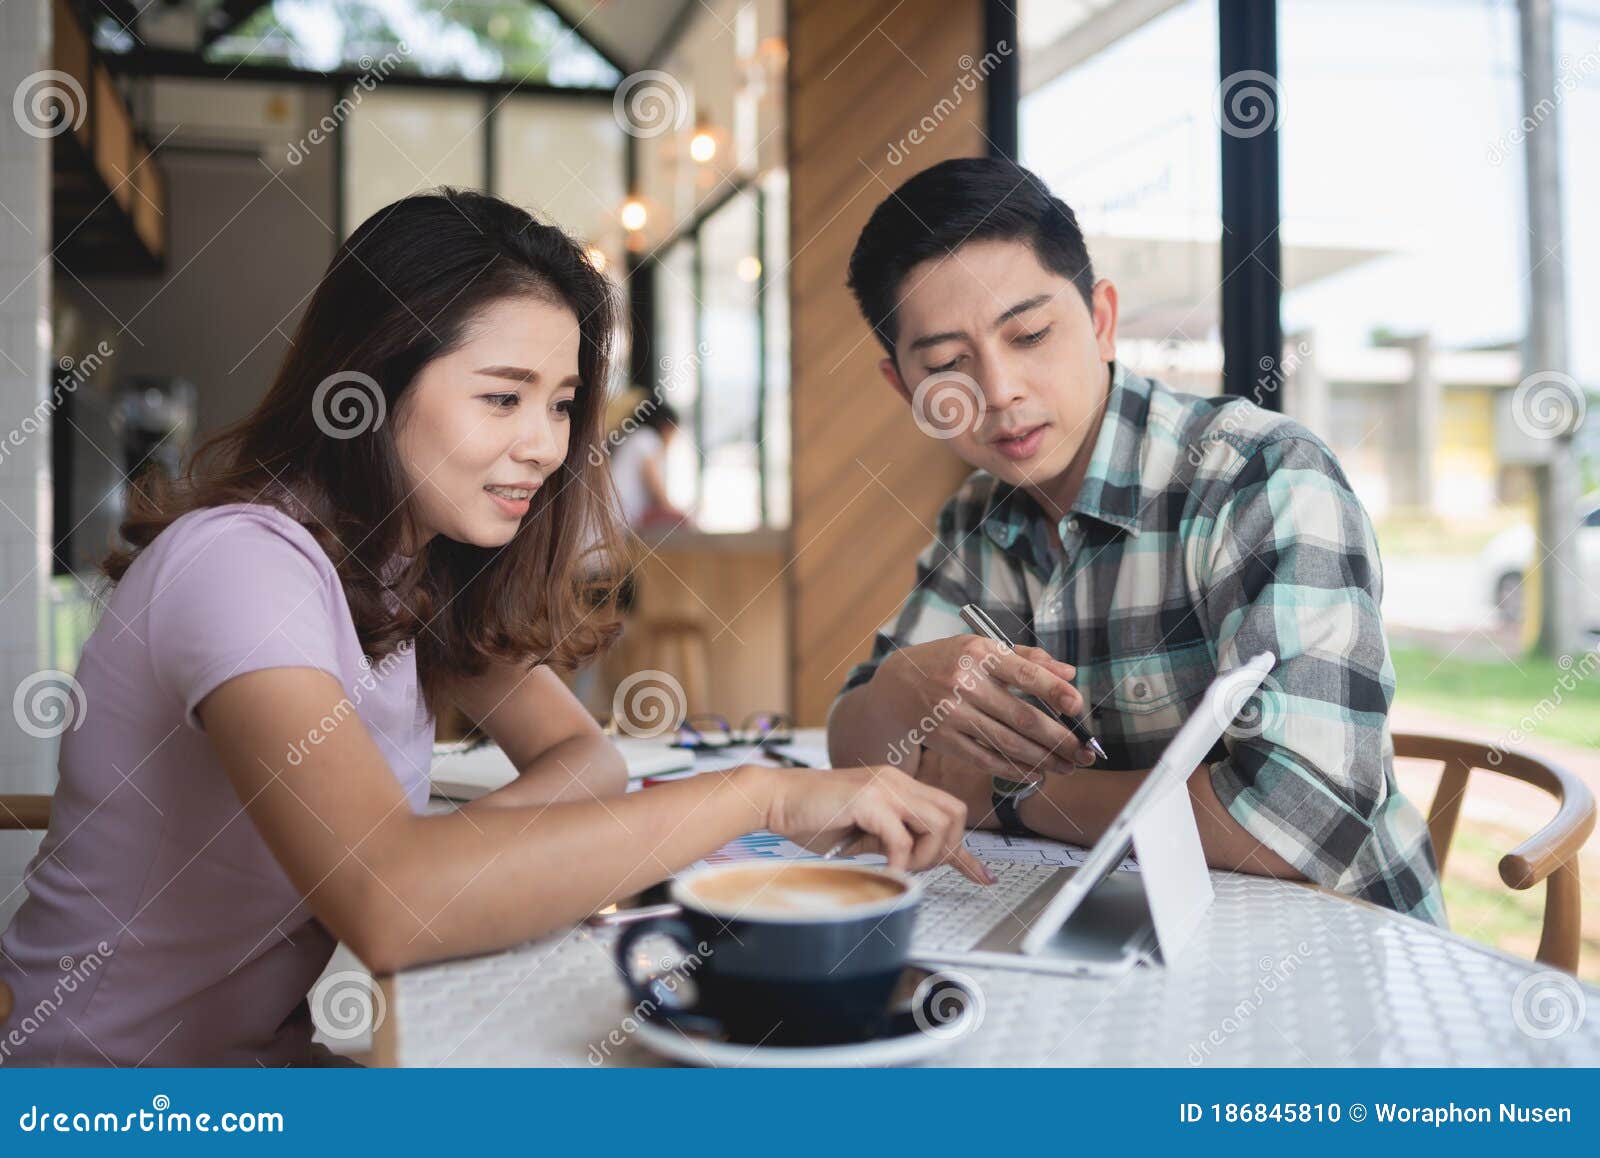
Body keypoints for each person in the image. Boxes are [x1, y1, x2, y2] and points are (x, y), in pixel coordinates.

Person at [0, 189, 987, 1067]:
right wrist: (760, 796)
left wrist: (458, 859)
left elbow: (581, 758)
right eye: (501, 397)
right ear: (370, 384)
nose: (544, 446)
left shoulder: (409, 568)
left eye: (559, 404)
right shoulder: (244, 566)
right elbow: (392, 904)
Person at [826, 158, 1444, 925]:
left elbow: (1298, 820)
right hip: (1124, 932)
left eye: (1030, 335)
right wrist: (905, 688)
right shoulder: (980, 516)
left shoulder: (1259, 476)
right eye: (949, 364)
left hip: (1340, 948)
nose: (999, 390)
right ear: (905, 389)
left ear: (1103, 320)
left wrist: (1010, 800)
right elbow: (861, 760)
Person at [608, 398, 691, 532]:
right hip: (618, 524)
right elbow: (657, 492)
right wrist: (682, 516)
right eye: (674, 433)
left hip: (615, 523)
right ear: (666, 428)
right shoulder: (647, 439)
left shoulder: (632, 438)